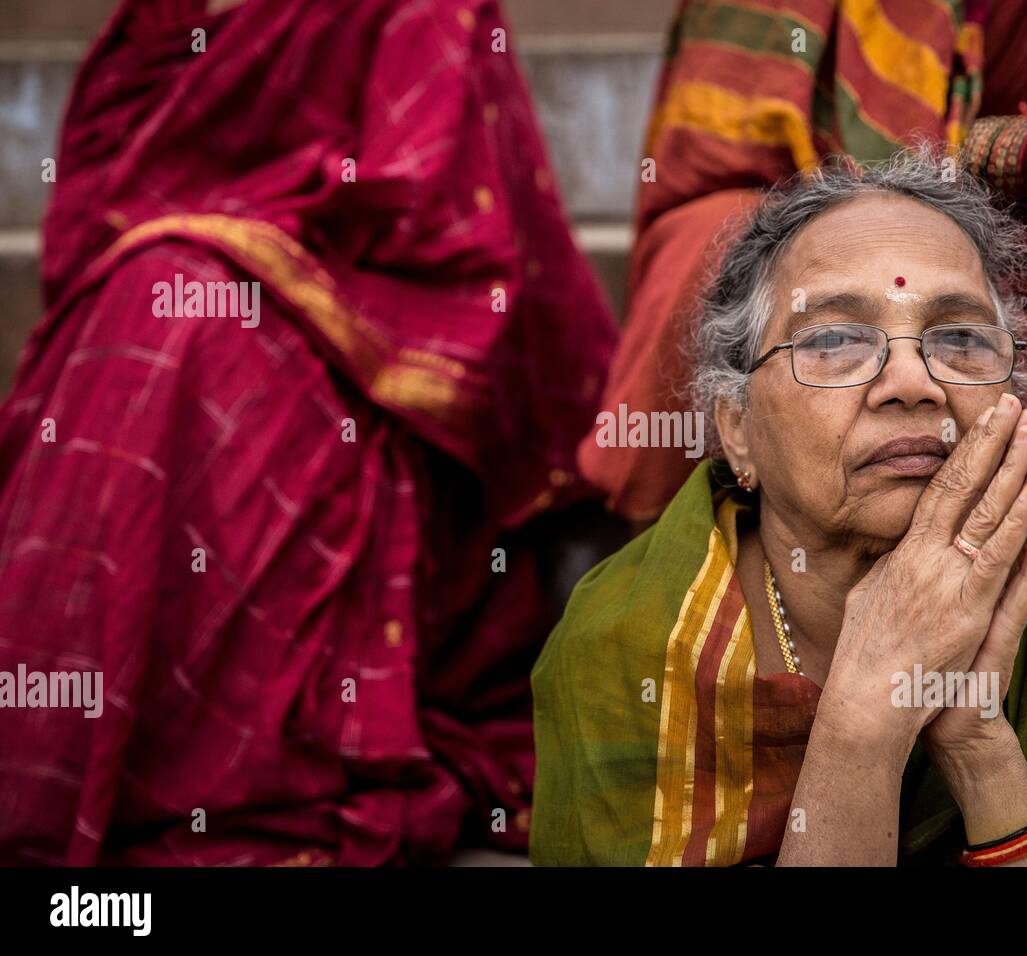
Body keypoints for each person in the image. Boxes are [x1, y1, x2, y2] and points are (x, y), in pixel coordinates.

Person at [576, 0, 1027, 824]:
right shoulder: (612, 654)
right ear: (732, 427)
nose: (911, 386)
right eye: (837, 344)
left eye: (958, 344)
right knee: (729, 244)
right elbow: (733, 152)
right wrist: (1009, 155)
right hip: (891, 200)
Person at [0, 0, 616, 865]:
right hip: (171, 307)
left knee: (187, 320)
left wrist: (253, 252)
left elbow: (447, 230)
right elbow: (96, 202)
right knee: (156, 309)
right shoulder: (169, 15)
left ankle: (137, 774)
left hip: (365, 345)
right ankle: (57, 763)